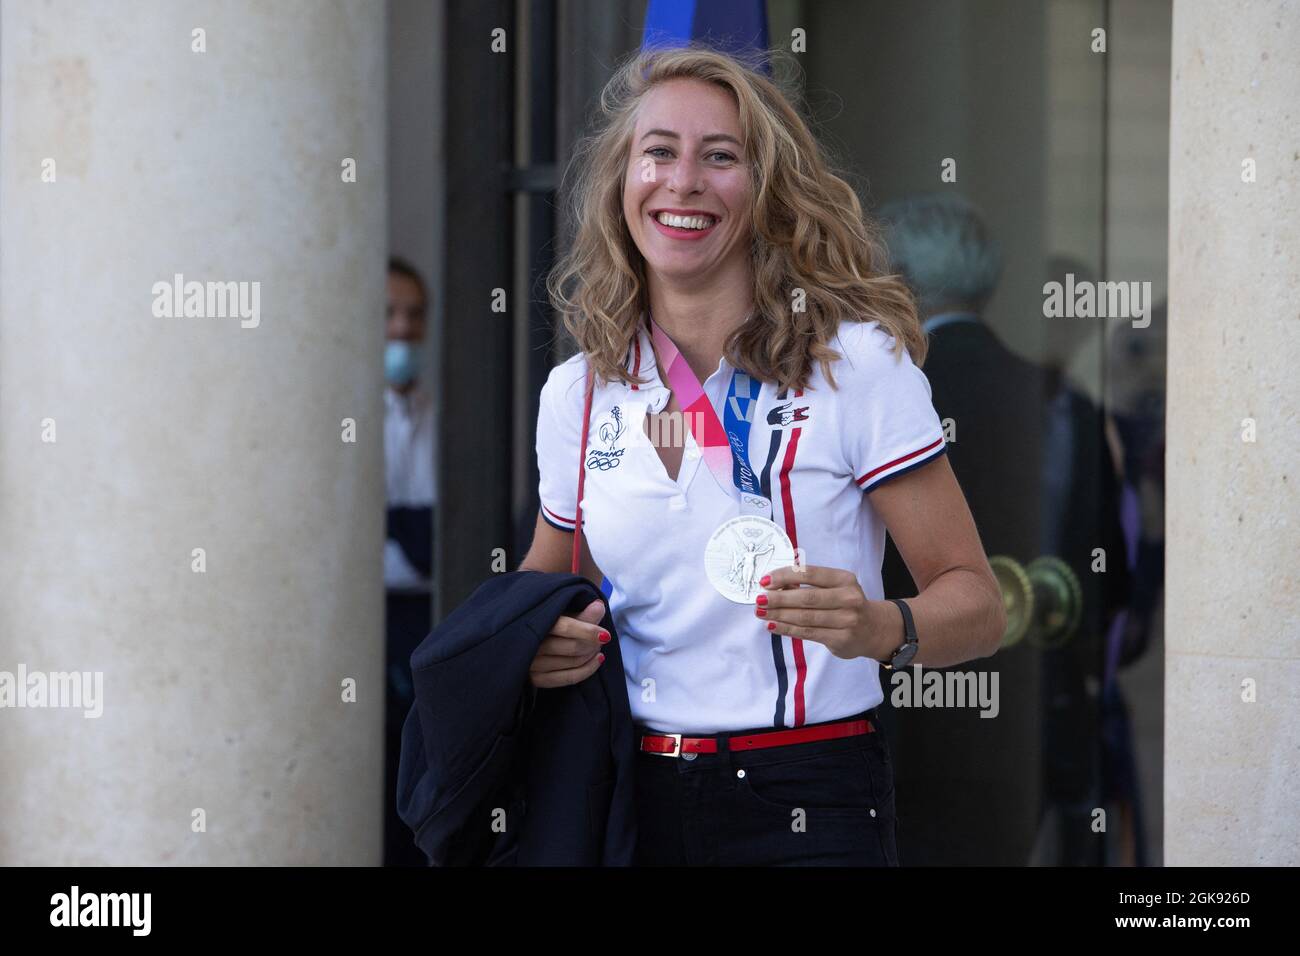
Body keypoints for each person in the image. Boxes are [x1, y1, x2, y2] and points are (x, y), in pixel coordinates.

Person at [518, 45, 1005, 867]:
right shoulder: (583, 389)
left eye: (721, 156)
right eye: (659, 153)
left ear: (768, 189)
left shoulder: (856, 365)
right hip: (632, 796)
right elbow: (546, 581)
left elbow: (980, 606)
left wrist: (883, 626)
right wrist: (536, 640)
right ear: (621, 185)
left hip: (810, 795)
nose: (683, 183)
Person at [382, 255, 436, 866]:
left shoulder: (430, 410)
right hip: (370, 623)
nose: (401, 329)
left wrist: (402, 525)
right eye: (387, 314)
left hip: (427, 613)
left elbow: (433, 543)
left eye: (414, 316)